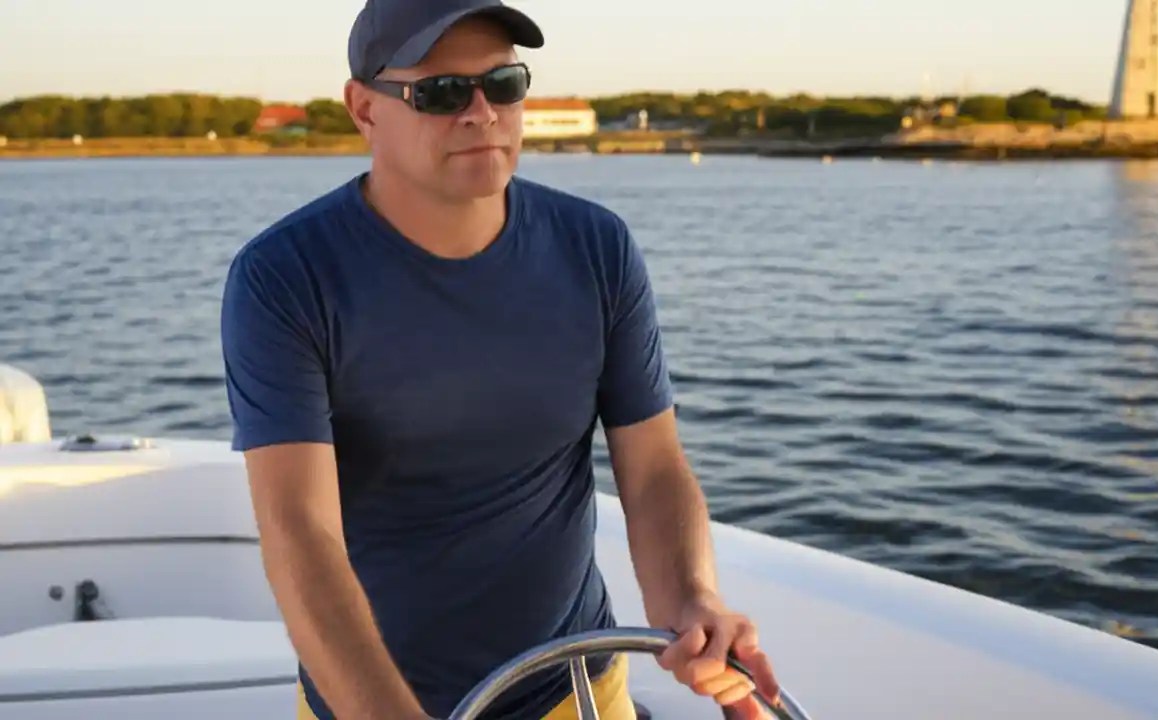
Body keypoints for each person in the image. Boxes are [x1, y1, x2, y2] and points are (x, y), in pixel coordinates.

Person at [219, 1, 781, 718]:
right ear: (364, 110)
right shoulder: (286, 276)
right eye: (442, 93)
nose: (481, 113)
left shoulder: (596, 248)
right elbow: (302, 534)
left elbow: (656, 470)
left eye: (504, 85)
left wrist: (694, 606)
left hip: (576, 687)